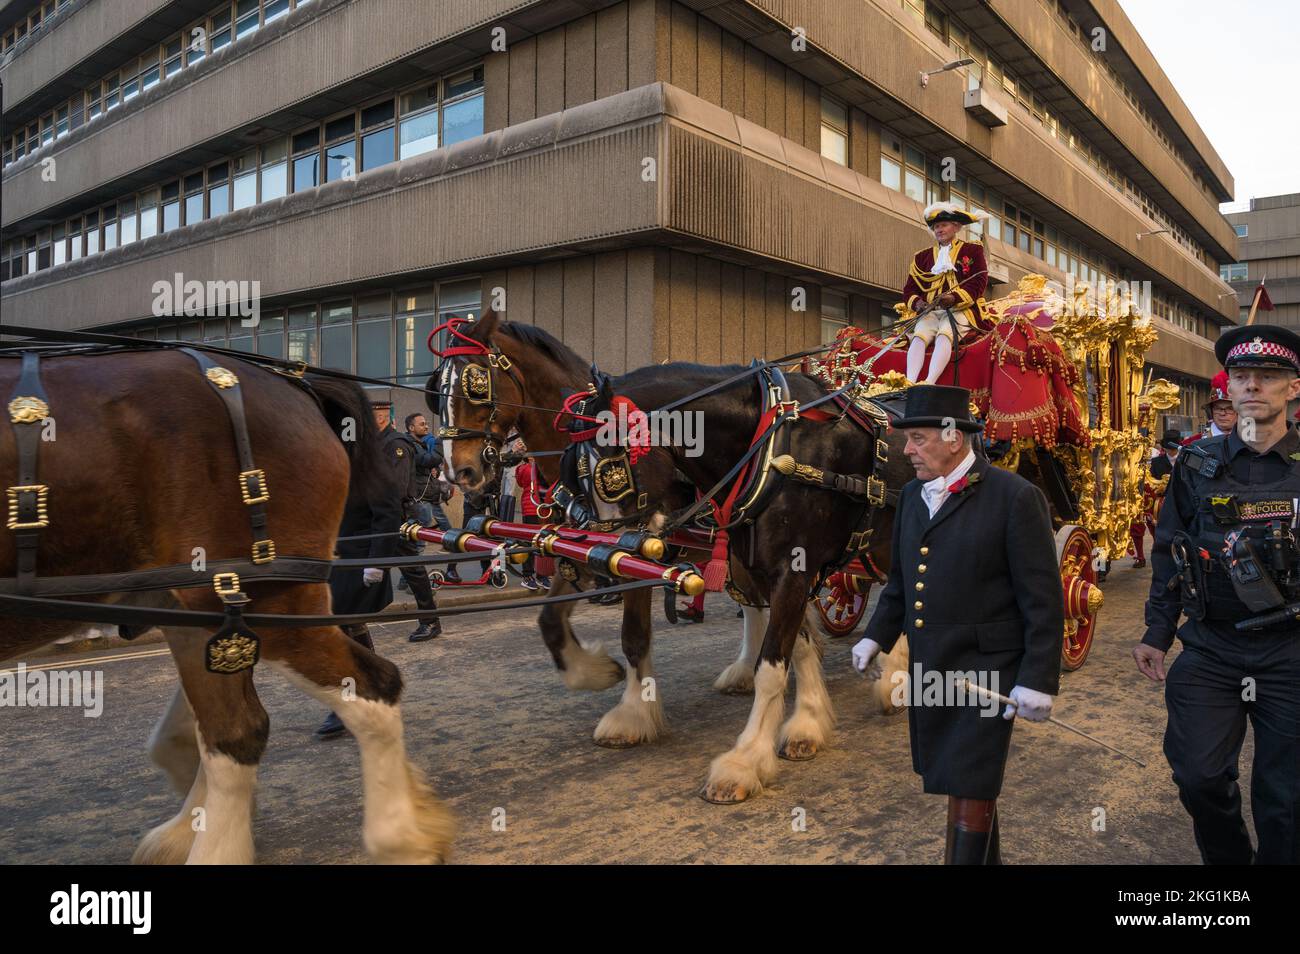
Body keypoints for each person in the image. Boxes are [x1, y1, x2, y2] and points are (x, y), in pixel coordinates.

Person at [851, 385, 1063, 864]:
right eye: (906, 440)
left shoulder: (1015, 497)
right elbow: (902, 582)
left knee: (970, 778)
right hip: (935, 665)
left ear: (952, 438)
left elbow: (1043, 600)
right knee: (964, 779)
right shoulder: (910, 496)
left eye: (917, 439)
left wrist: (1037, 680)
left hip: (989, 671)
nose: (906, 451)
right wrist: (874, 636)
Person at [1135, 324, 1300, 865]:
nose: (1252, 386)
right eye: (1242, 376)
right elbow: (1168, 553)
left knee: (1287, 799)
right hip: (1211, 646)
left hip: (1291, 651)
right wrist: (1157, 632)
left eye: (1268, 376)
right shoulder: (1196, 462)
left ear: (1292, 388)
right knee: (1199, 776)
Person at [315, 399, 410, 739]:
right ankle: (375, 684)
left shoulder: (375, 464)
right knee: (348, 626)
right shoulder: (330, 463)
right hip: (333, 561)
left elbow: (387, 515)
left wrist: (376, 562)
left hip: (358, 563)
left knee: (337, 630)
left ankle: (352, 699)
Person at [901, 203, 990, 385]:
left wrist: (954, 298)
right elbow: (909, 289)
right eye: (936, 227)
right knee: (919, 335)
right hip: (931, 311)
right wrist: (918, 303)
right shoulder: (921, 257)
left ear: (956, 227)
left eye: (943, 225)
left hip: (962, 309)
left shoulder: (972, 250)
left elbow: (979, 281)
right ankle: (909, 382)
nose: (939, 230)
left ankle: (929, 382)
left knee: (945, 333)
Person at [382, 406, 443, 642]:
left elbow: (431, 460)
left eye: (426, 424)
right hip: (391, 510)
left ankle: (429, 620)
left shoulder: (399, 444)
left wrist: (435, 443)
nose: (426, 426)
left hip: (398, 511)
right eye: (422, 424)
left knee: (413, 561)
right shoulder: (401, 442)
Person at [513, 453, 552, 591]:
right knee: (530, 542)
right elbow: (523, 479)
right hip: (531, 508)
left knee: (543, 542)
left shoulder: (537, 466)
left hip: (543, 508)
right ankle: (528, 575)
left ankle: (542, 574)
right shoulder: (526, 468)